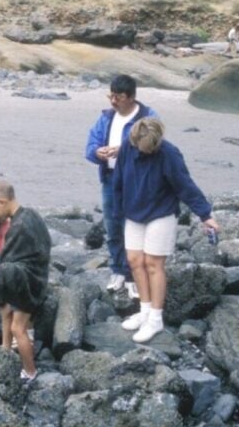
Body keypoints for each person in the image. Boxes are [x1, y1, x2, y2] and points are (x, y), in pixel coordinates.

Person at [113, 118, 219, 343]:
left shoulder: (169, 154)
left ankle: (156, 318)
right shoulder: (126, 149)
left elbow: (185, 185)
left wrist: (205, 215)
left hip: (161, 213)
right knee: (134, 261)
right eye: (144, 148)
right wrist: (117, 210)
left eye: (151, 149)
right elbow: (119, 181)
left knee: (153, 264)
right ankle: (144, 310)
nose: (147, 152)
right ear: (135, 140)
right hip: (133, 213)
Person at [85, 74, 157, 296]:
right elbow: (90, 145)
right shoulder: (106, 118)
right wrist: (98, 152)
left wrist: (123, 150)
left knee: (135, 227)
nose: (113, 101)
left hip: (137, 181)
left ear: (131, 97)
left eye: (118, 97)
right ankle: (118, 270)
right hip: (110, 178)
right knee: (113, 226)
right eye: (111, 96)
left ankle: (133, 274)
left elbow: (154, 146)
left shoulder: (148, 117)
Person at [0, 180, 51, 385]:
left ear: (2, 201)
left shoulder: (18, 227)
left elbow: (7, 257)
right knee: (21, 325)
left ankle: (29, 372)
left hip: (27, 283)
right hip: (39, 275)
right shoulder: (31, 215)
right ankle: (27, 351)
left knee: (17, 329)